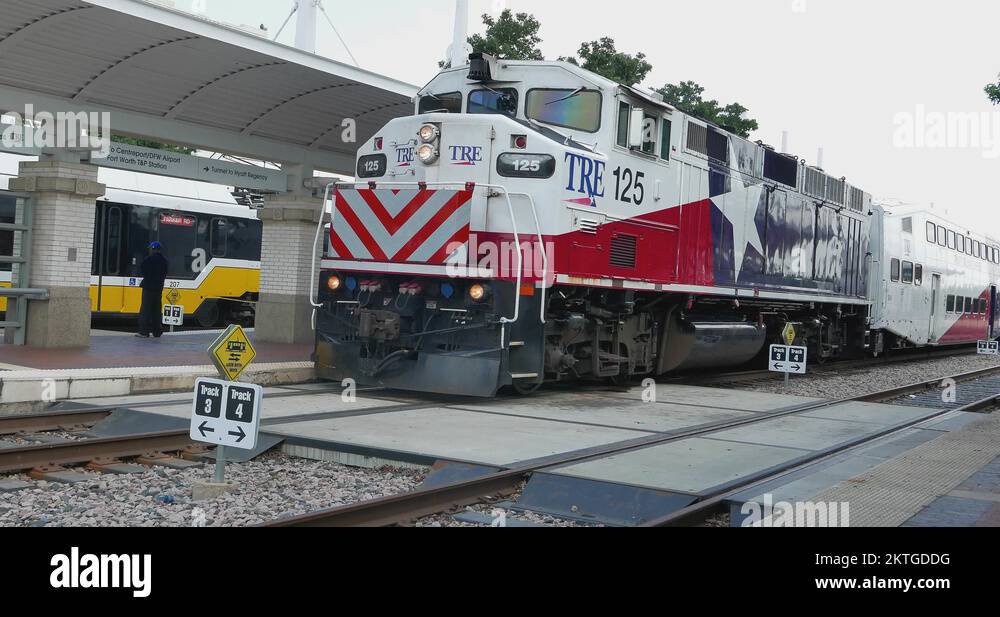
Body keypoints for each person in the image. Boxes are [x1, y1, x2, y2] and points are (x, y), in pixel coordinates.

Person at [137, 242, 169, 338]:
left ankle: (144, 332)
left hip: (148, 288)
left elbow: (142, 269)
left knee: (145, 310)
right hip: (158, 288)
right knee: (156, 310)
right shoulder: (164, 261)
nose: (149, 250)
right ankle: (157, 331)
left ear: (153, 249)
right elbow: (165, 273)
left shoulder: (149, 259)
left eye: (150, 249)